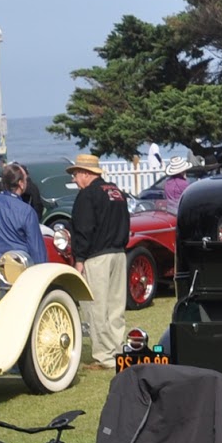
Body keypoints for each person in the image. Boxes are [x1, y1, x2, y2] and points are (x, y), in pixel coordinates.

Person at [68, 152, 130, 368]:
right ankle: (117, 349)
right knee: (115, 307)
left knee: (96, 307)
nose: (74, 179)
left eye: (76, 174)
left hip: (97, 257)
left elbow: (84, 229)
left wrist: (79, 259)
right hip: (119, 253)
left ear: (86, 174)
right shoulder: (115, 191)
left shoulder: (87, 195)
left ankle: (104, 356)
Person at [0, 162, 46, 270]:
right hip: (21, 269)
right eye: (25, 180)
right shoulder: (26, 211)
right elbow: (37, 250)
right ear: (21, 183)